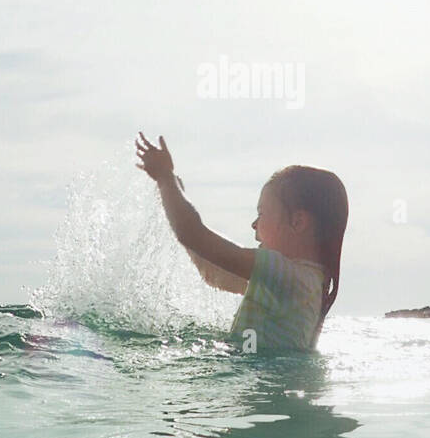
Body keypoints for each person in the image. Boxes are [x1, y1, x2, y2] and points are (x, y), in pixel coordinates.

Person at [134, 132, 347, 352]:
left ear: (297, 221)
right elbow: (213, 272)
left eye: (262, 213)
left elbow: (194, 235)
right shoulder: (302, 284)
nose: (254, 224)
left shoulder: (287, 275)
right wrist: (175, 197)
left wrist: (165, 178)